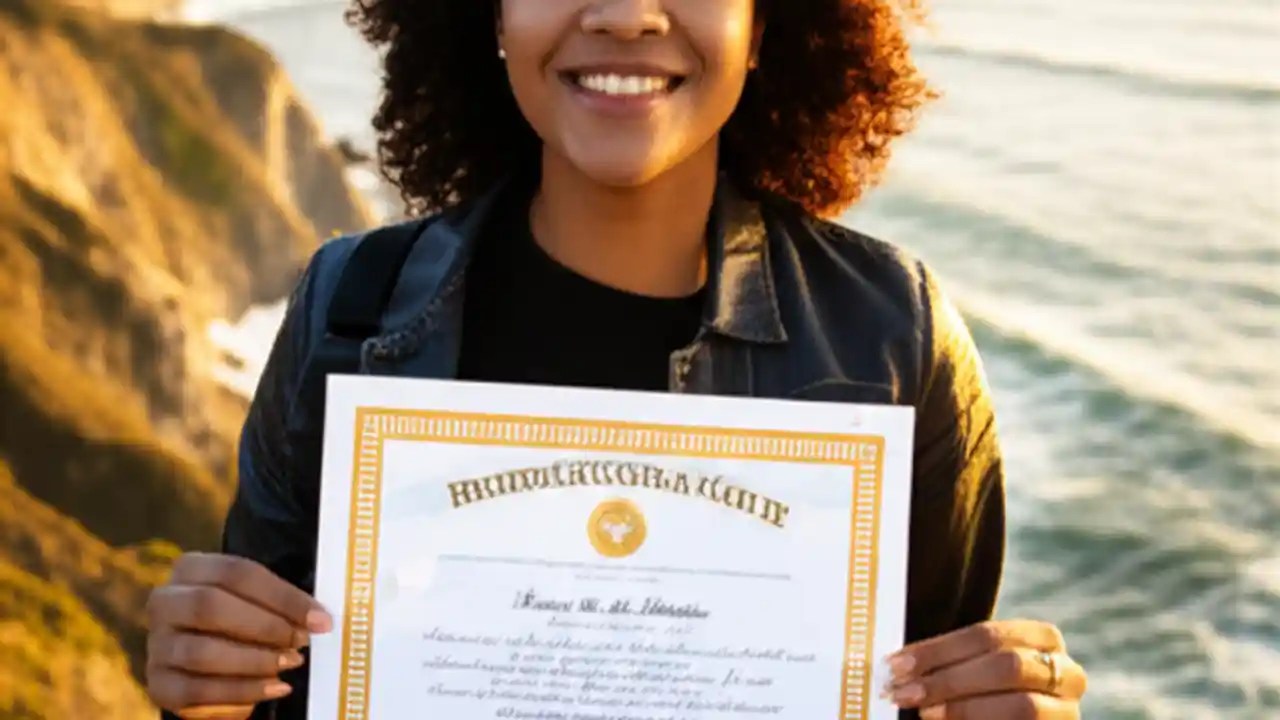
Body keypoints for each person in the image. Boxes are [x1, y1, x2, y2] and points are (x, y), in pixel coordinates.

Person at [145, 0, 1089, 718]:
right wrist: (207, 685)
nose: (627, 14)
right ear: (493, 16)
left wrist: (1001, 701)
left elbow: (925, 692)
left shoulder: (894, 338)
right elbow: (274, 693)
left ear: (764, 25)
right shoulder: (348, 308)